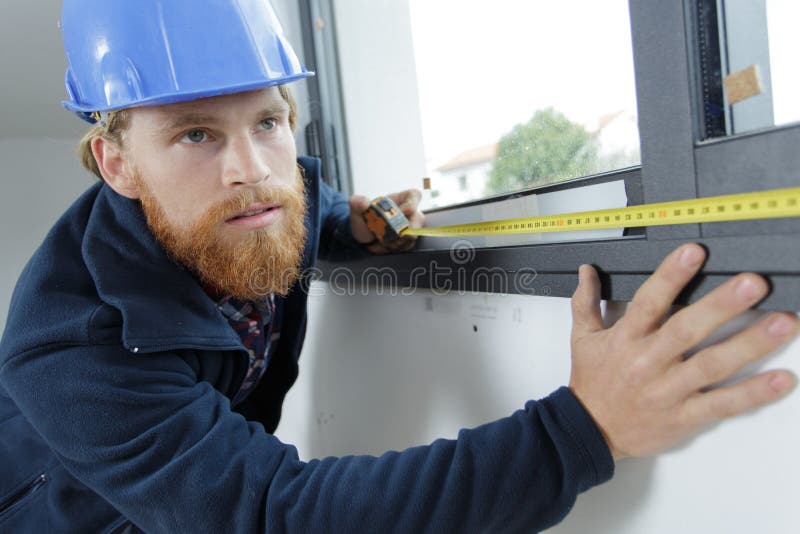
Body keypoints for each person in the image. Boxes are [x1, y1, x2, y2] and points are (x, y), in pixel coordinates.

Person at [0, 1, 796, 532]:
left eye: (269, 120)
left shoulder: (272, 193)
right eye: (194, 135)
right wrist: (582, 431)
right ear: (117, 164)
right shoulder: (72, 348)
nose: (254, 169)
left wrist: (358, 225)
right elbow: (274, 513)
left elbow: (315, 202)